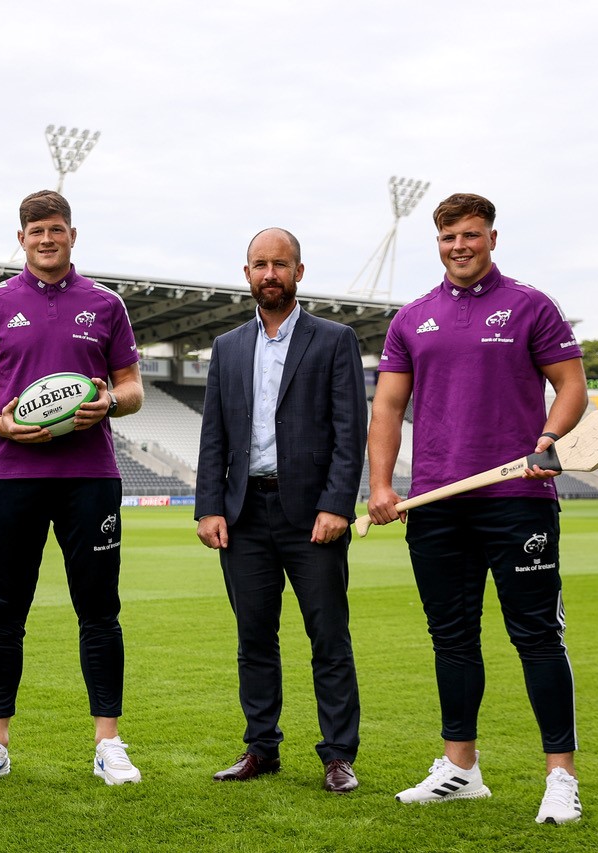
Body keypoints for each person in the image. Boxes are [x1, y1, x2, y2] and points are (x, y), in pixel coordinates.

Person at [367, 193, 588, 825]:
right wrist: (381, 485)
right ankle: (461, 768)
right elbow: (388, 407)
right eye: (448, 237)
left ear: (492, 237)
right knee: (452, 638)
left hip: (517, 499)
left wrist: (548, 439)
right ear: (437, 242)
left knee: (537, 637)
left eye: (470, 234)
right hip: (436, 503)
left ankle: (561, 777)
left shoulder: (531, 305)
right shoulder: (412, 318)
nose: (459, 246)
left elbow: (571, 384)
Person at [0, 190, 145, 785]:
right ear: (21, 239)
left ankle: (109, 743)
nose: (46, 239)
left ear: (71, 235)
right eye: (35, 231)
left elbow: (133, 388)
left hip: (91, 477)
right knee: (4, 611)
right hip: (11, 476)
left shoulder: (106, 304)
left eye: (56, 229)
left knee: (100, 610)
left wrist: (109, 403)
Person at [194, 227, 367, 794]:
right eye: (260, 264)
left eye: (281, 264)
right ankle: (261, 748)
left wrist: (337, 504)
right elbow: (214, 435)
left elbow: (350, 431)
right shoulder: (228, 347)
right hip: (244, 514)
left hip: (312, 515)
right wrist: (209, 507)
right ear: (247, 273)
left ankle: (338, 755)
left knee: (329, 638)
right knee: (253, 639)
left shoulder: (334, 340)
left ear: (299, 271)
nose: (270, 274)